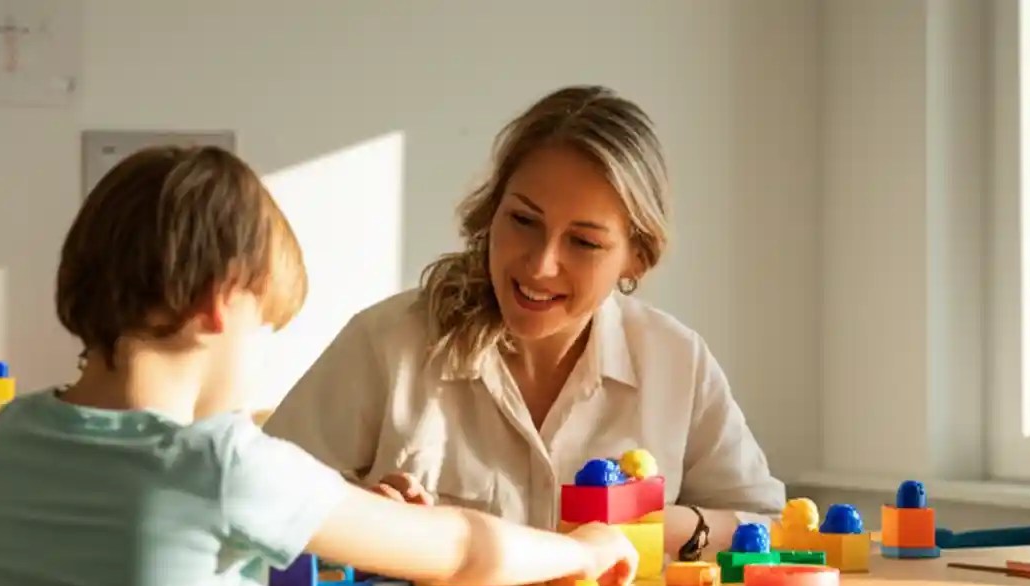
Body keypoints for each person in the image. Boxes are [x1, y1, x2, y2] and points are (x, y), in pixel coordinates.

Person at [0, 146, 638, 586]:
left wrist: (368, 521)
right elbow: (462, 549)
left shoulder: (13, 435)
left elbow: (166, 568)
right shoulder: (220, 463)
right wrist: (581, 549)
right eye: (265, 329)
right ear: (221, 306)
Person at [264, 85, 785, 559]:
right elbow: (261, 501)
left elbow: (767, 526)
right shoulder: (387, 344)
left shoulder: (677, 363)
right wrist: (370, 519)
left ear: (636, 259)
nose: (540, 265)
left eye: (583, 242)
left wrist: (651, 527)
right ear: (492, 213)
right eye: (523, 221)